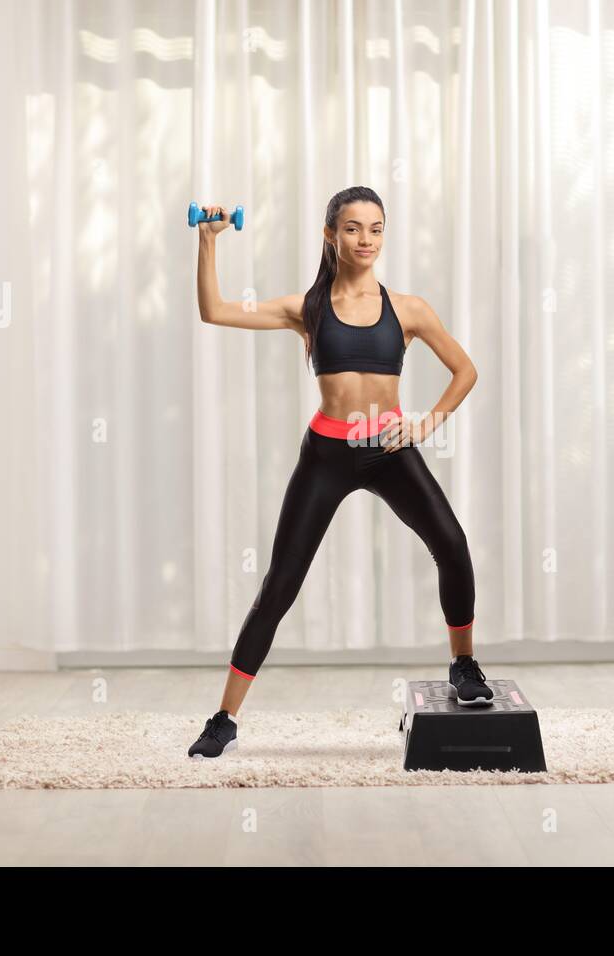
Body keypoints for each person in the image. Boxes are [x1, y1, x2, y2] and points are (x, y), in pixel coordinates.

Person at [188, 186, 489, 760]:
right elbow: (215, 310)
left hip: (388, 449)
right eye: (352, 228)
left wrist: (426, 425)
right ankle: (224, 718)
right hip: (326, 454)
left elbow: (465, 370)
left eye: (375, 228)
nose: (365, 239)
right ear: (331, 235)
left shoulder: (410, 308)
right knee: (280, 584)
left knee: (452, 543)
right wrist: (207, 242)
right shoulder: (307, 307)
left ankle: (464, 663)